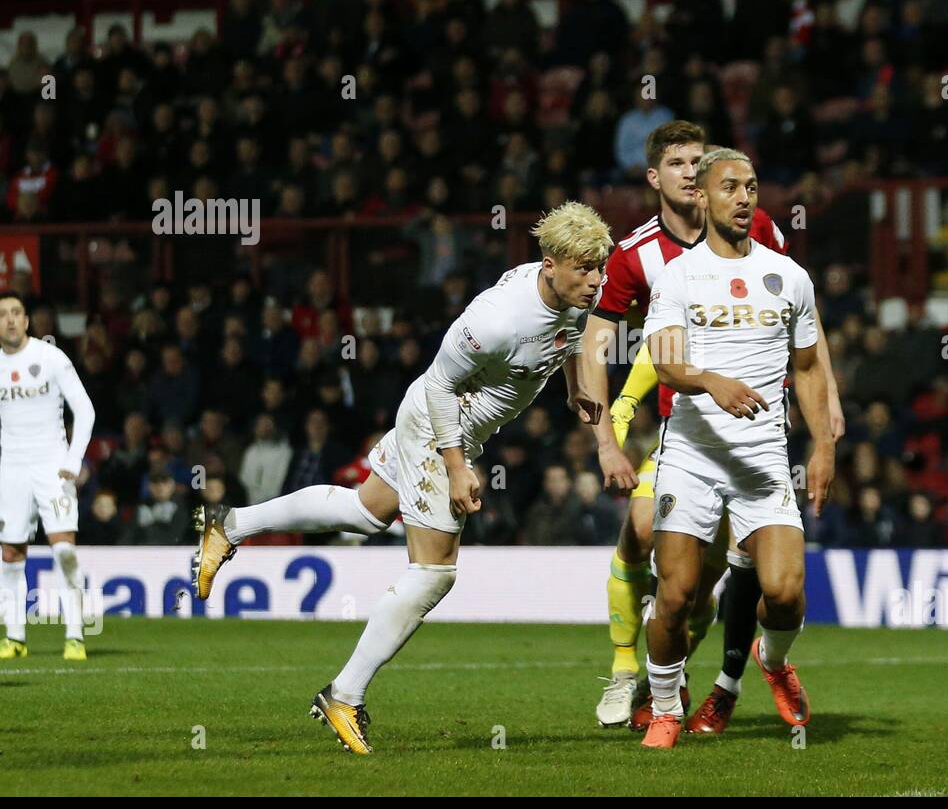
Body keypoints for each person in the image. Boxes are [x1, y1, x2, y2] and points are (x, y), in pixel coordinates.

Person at [193, 203, 612, 753]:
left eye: (601, 267)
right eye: (585, 268)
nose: (597, 280)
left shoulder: (577, 295)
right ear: (550, 263)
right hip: (438, 426)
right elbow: (439, 387)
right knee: (434, 573)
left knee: (365, 511)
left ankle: (230, 523)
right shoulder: (496, 319)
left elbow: (570, 340)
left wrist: (573, 388)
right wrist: (457, 466)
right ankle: (345, 693)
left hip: (459, 429)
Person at [581, 121, 842, 731]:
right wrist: (607, 431)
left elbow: (805, 342)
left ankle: (735, 674)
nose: (740, 196)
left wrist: (827, 417)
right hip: (687, 437)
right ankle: (633, 677)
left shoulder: (775, 251)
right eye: (682, 165)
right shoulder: (644, 258)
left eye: (746, 184)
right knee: (654, 549)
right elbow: (601, 344)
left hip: (761, 442)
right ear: (673, 183)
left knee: (760, 584)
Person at [639, 148, 834, 749]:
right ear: (701, 196)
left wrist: (823, 443)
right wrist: (710, 381)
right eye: (730, 187)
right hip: (693, 457)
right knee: (675, 597)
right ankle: (667, 706)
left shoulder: (788, 275)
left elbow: (807, 368)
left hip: (763, 458)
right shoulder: (679, 275)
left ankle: (772, 662)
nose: (745, 197)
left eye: (751, 186)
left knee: (784, 591)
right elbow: (666, 364)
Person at [0, 292, 96, 661]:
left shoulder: (50, 357)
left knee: (64, 549)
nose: (10, 320)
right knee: (10, 552)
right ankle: (15, 637)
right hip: (12, 469)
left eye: (16, 313)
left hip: (52, 467)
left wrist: (74, 459)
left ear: (26, 321)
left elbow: (84, 412)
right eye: (3, 314)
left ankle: (74, 636)